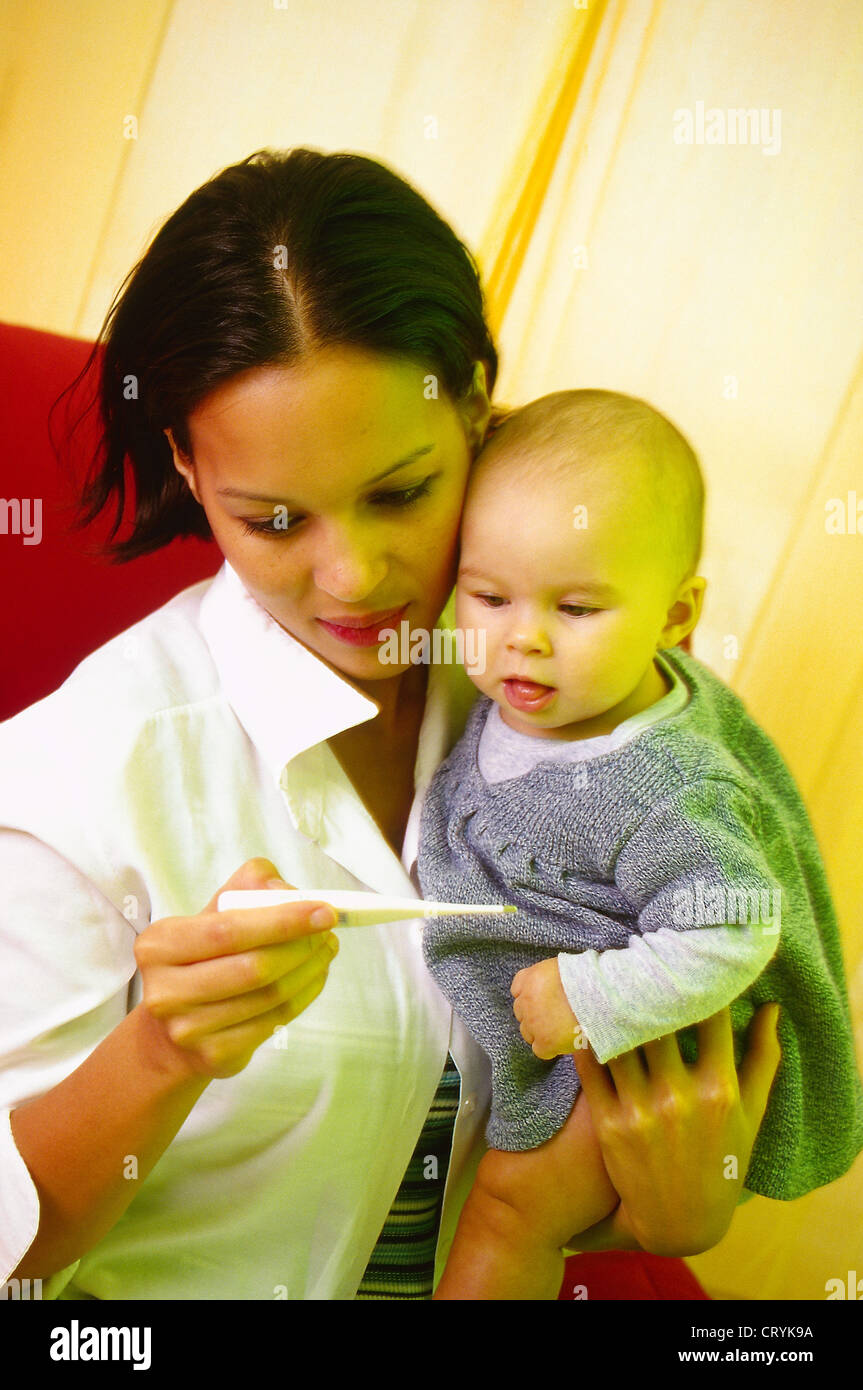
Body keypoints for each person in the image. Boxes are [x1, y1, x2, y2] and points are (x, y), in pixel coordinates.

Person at [0, 149, 781, 1301]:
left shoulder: (600, 711)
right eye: (272, 520)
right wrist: (161, 1052)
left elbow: (564, 1141)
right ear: (184, 463)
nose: (354, 577)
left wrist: (680, 1202)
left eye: (402, 492)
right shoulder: (73, 780)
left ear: (473, 407)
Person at [418, 389, 863, 1300]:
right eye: (489, 595)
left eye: (575, 608)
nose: (522, 639)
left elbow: (734, 925)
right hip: (586, 1045)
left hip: (636, 1053)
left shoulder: (658, 783)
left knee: (508, 1210)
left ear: (674, 617)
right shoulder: (538, 698)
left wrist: (588, 993)